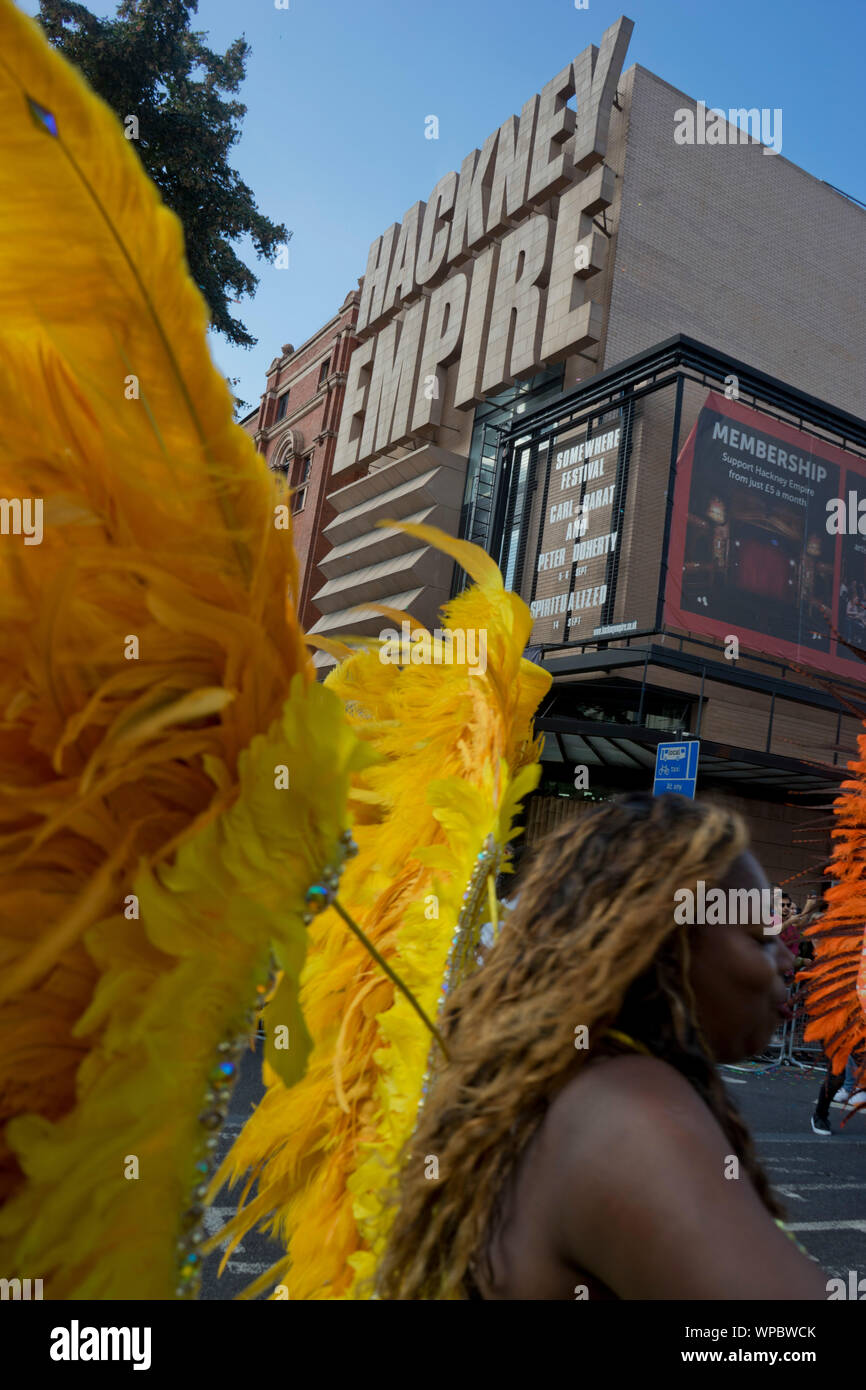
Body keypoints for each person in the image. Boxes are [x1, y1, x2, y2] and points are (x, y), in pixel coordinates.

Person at [376, 793, 827, 1299]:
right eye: (761, 939)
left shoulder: (563, 1084)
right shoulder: (627, 1106)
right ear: (660, 943)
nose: (788, 962)